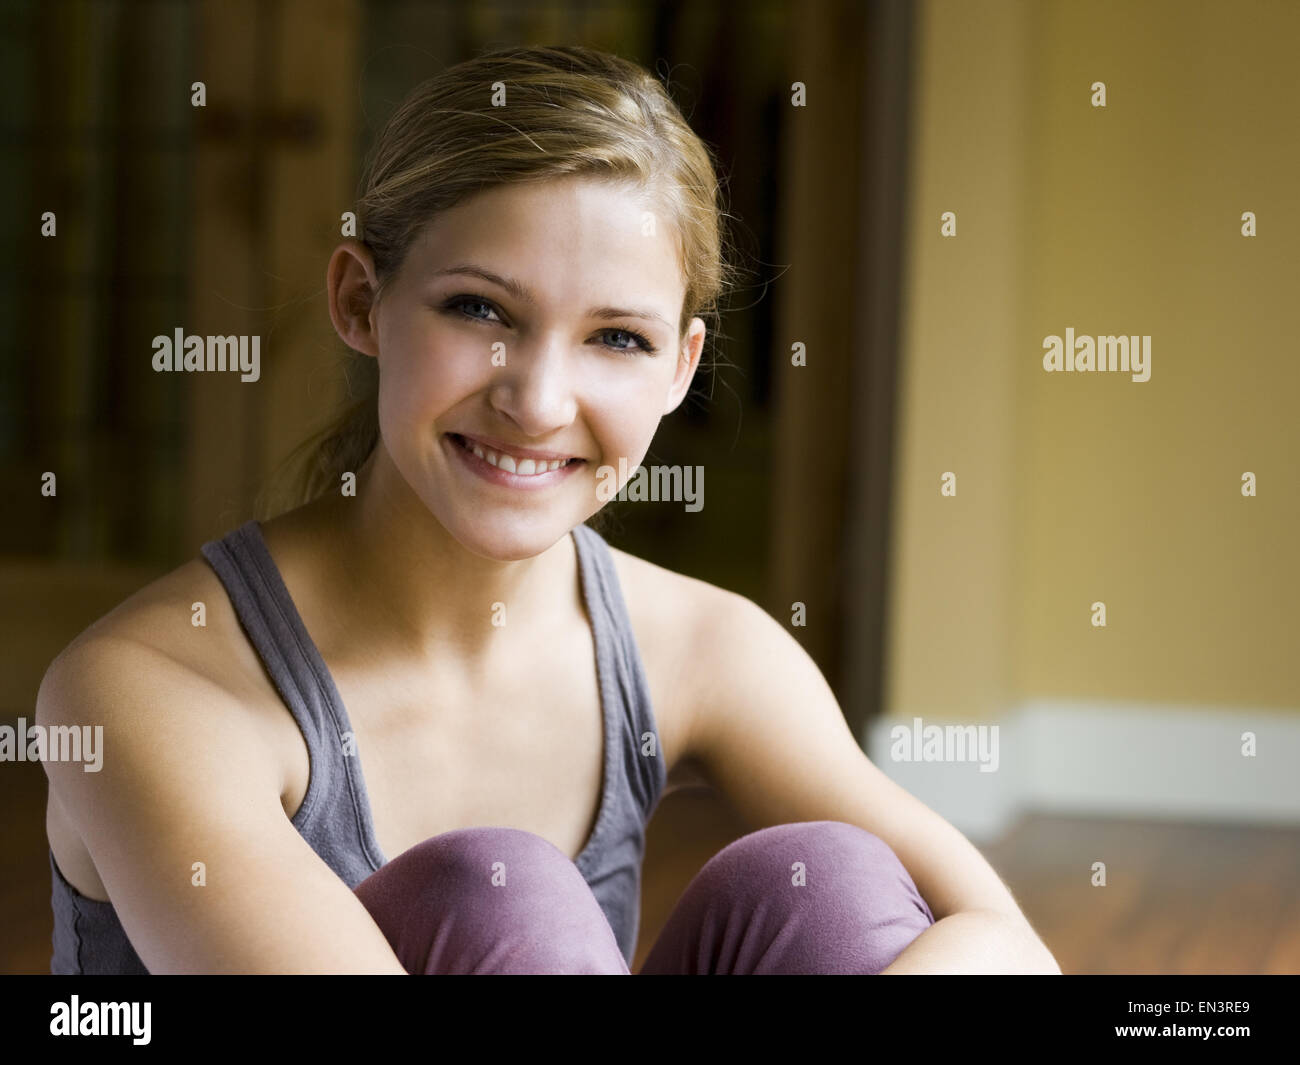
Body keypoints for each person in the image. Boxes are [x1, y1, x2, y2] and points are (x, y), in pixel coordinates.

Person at [40, 44, 1059, 975]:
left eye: (616, 338)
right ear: (360, 302)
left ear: (679, 369)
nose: (535, 402)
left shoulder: (703, 647)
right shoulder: (142, 690)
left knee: (830, 886)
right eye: (480, 310)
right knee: (501, 896)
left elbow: (1006, 949)